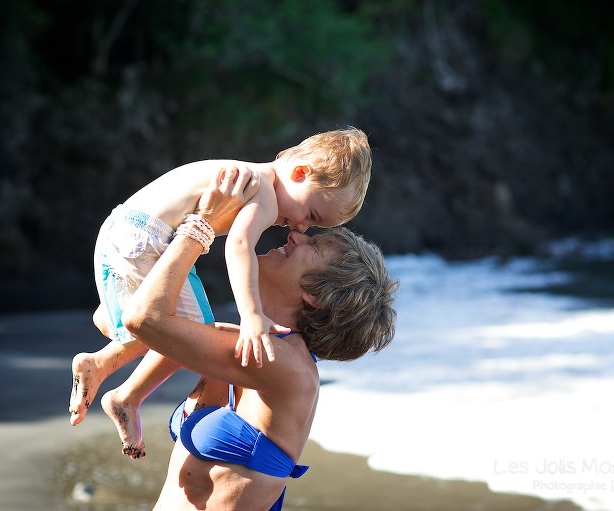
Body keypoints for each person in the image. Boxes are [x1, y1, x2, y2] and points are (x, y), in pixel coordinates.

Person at [69, 128, 373, 459]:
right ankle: (126, 394)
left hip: (125, 226)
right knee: (184, 327)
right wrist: (252, 314)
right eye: (311, 216)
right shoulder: (264, 195)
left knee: (173, 326)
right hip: (148, 237)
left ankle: (109, 335)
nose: (300, 228)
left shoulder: (250, 175)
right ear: (300, 174)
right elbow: (239, 246)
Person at [119, 168, 397, 510]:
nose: (297, 235)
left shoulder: (287, 367)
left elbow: (142, 318)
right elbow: (132, 323)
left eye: (314, 246)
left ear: (317, 295)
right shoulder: (250, 343)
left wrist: (202, 224)